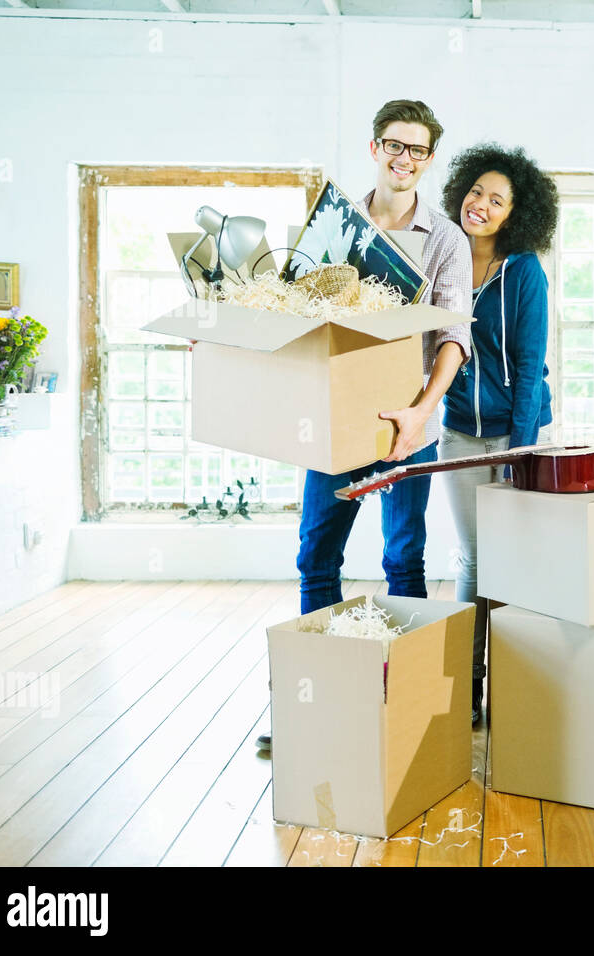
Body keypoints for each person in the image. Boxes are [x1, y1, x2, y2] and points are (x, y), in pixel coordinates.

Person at [257, 99, 472, 752]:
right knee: (316, 555)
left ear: (429, 159)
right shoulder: (333, 227)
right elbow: (289, 316)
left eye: (417, 149)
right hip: (333, 427)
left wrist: (420, 413)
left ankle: (399, 709)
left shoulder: (445, 240)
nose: (404, 158)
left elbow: (454, 340)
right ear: (375, 148)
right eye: (393, 145)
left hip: (406, 428)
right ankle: (315, 702)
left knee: (402, 557)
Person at [437, 143, 558, 725]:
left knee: (513, 562)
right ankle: (468, 692)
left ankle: (513, 689)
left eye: (497, 199)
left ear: (517, 213)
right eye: (477, 191)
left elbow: (531, 364)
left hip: (517, 432)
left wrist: (521, 449)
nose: (480, 204)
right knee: (475, 560)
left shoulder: (525, 271)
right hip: (459, 434)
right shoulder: (445, 259)